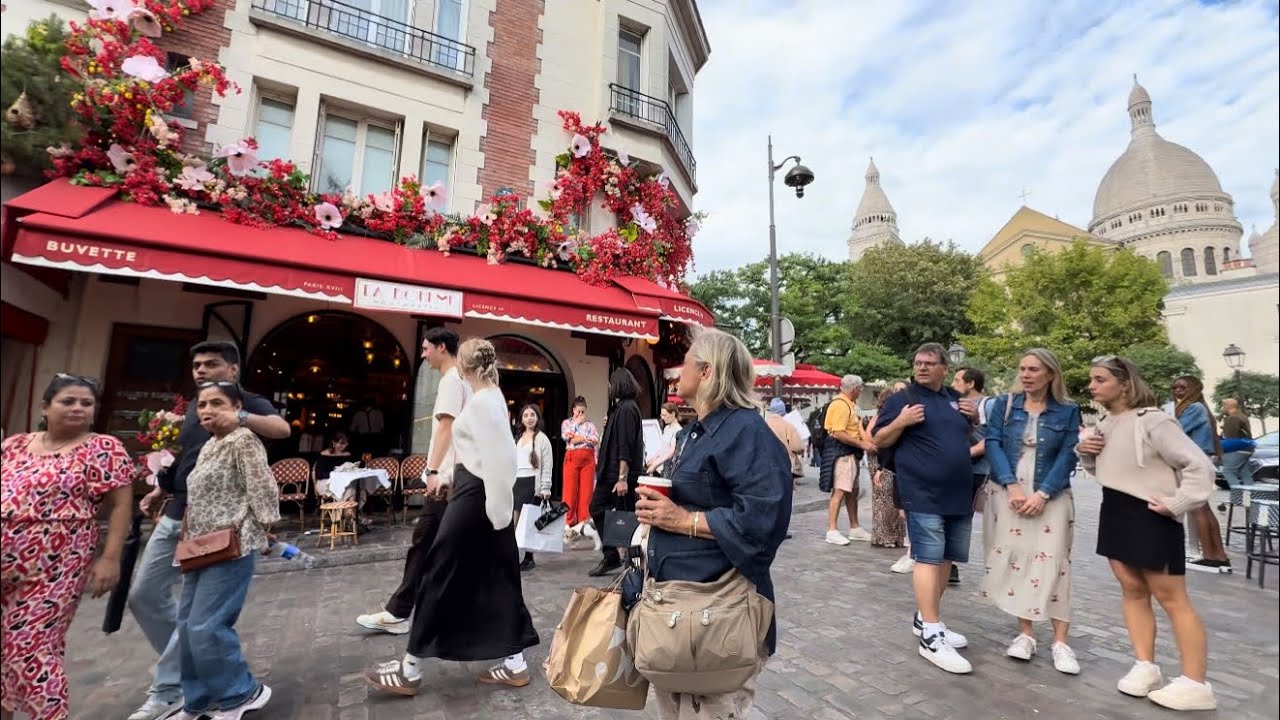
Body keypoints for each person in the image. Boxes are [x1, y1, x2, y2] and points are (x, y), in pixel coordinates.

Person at [364, 338, 539, 695]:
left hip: (479, 500)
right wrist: (447, 478)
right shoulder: (487, 399)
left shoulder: (484, 402)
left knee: (438, 572)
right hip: (482, 497)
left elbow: (499, 459)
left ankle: (411, 670)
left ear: (464, 365)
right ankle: (515, 663)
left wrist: (497, 512)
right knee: (497, 578)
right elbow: (478, 454)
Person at [633, 328, 792, 719]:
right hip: (680, 609)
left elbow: (763, 521)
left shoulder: (747, 432)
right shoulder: (696, 431)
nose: (676, 369)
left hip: (716, 615)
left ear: (707, 372)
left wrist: (684, 520)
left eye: (685, 361)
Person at [127, 342, 290, 720]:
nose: (201, 370)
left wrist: (266, 532)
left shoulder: (245, 410)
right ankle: (199, 684)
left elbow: (279, 434)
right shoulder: (194, 412)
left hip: (225, 530)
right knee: (153, 600)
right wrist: (160, 488)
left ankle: (181, 689)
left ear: (233, 370)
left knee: (202, 621)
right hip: (183, 518)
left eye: (211, 364)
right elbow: (186, 460)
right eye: (196, 365)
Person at [1079, 356, 1216, 711]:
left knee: (1172, 598)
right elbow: (1108, 469)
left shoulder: (1154, 420)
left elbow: (1199, 465)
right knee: (1132, 589)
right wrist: (1087, 454)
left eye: (1100, 379)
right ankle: (1146, 666)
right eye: (1091, 380)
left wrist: (1179, 502)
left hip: (1152, 513)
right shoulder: (1107, 422)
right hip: (1116, 508)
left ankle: (1195, 682)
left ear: (1124, 383)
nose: (1092, 386)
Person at [1, 374, 134, 720]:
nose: (78, 408)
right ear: (45, 407)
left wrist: (110, 558)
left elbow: (120, 505)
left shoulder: (103, 448)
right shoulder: (14, 445)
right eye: (68, 401)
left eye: (86, 403)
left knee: (32, 649)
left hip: (56, 564)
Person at [166, 381, 281, 720]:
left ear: (237, 406)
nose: (207, 411)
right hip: (198, 546)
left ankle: (240, 694)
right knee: (188, 627)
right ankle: (199, 700)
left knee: (207, 626)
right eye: (202, 405)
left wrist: (265, 530)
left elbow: (262, 488)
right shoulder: (209, 446)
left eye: (217, 403)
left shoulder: (243, 440)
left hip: (232, 542)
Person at [357, 328, 471, 635]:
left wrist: (433, 471)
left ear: (442, 348)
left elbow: (446, 428)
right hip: (456, 478)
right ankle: (424, 610)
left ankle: (402, 612)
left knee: (426, 545)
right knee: (439, 547)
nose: (423, 355)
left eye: (425, 349)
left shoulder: (451, 381)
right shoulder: (462, 381)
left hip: (447, 481)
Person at [873, 344, 978, 674]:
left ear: (944, 368)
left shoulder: (953, 400)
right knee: (929, 556)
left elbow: (961, 437)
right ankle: (931, 635)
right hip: (922, 492)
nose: (922, 368)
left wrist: (973, 419)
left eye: (930, 363)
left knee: (947, 557)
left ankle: (927, 617)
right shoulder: (901, 399)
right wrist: (901, 422)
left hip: (958, 493)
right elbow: (878, 440)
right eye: (918, 363)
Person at [981, 349, 1083, 675]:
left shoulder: (1067, 412)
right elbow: (993, 443)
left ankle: (1060, 641)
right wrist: (1011, 486)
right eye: (1023, 368)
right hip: (1009, 488)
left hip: (1050, 491)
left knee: (1055, 561)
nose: (1026, 375)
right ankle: (1025, 633)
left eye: (1034, 370)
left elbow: (1070, 454)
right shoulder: (1005, 404)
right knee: (1017, 559)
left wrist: (1043, 493)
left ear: (1051, 374)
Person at [587, 368, 645, 577]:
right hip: (611, 474)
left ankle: (630, 561)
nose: (609, 388)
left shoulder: (628, 409)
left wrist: (622, 478)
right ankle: (619, 558)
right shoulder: (621, 409)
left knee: (627, 517)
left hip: (619, 475)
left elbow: (625, 446)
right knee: (624, 515)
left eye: (611, 384)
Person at [1171, 376, 1230, 571]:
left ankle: (1210, 556)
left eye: (1183, 387)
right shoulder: (1199, 407)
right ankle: (1218, 555)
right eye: (1176, 387)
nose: (1178, 390)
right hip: (1201, 461)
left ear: (1194, 388)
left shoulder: (1194, 408)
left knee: (1198, 510)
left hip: (1194, 462)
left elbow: (1176, 431)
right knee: (1204, 509)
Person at [820, 375, 876, 545]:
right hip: (842, 453)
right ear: (855, 389)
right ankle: (832, 529)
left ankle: (854, 527)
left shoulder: (846, 404)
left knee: (852, 491)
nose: (860, 392)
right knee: (840, 490)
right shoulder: (841, 405)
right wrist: (862, 444)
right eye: (860, 389)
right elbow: (838, 432)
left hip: (850, 453)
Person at [513, 404, 553, 571]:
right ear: (522, 419)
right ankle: (513, 556)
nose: (529, 418)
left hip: (532, 483)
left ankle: (529, 558)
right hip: (517, 482)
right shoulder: (519, 437)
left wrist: (545, 488)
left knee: (528, 523)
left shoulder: (542, 439)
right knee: (514, 523)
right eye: (526, 415)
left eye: (532, 415)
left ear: (537, 418)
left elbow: (547, 464)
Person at [866, 387, 906, 549]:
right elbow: (871, 436)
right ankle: (884, 536)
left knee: (892, 500)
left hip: (887, 461)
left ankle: (894, 536)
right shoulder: (881, 417)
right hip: (882, 460)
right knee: (884, 499)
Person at [560, 397, 599, 528]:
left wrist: (579, 438)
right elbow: (567, 436)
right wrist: (577, 424)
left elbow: (595, 439)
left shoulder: (590, 425)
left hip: (588, 459)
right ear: (573, 410)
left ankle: (584, 521)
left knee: (586, 493)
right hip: (572, 457)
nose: (581, 414)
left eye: (583, 412)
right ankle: (568, 521)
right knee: (569, 492)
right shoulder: (567, 423)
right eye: (579, 411)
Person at [764, 398, 806, 483]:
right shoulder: (788, 426)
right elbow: (797, 447)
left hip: (766, 463)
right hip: (786, 464)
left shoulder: (763, 424)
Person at [1219, 398, 1254, 488]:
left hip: (1237, 449)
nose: (1223, 408)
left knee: (1228, 471)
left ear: (1227, 406)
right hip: (1248, 448)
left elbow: (1230, 437)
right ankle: (1250, 496)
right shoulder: (1242, 416)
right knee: (1244, 473)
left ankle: (1238, 495)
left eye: (1223, 406)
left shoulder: (1232, 418)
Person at [644, 402, 685, 476]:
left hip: (667, 469)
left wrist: (655, 464)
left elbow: (671, 452)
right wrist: (653, 458)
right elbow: (662, 448)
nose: (662, 418)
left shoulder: (678, 430)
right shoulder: (667, 428)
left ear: (673, 414)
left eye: (664, 415)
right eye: (661, 415)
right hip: (659, 466)